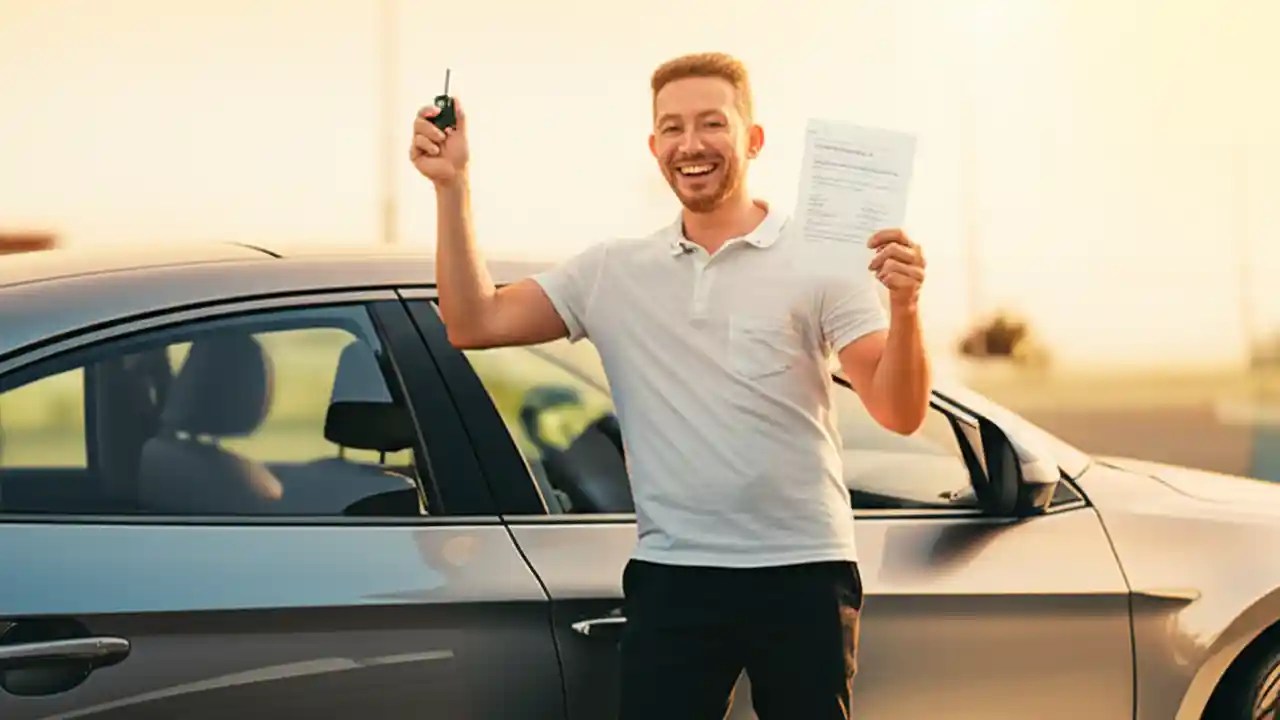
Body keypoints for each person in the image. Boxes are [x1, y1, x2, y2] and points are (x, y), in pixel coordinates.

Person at [410, 51, 931, 720]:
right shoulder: (611, 272)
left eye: (712, 124)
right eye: (673, 128)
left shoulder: (822, 263)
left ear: (753, 138)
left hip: (803, 572)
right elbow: (472, 321)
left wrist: (907, 307)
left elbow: (899, 411)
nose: (691, 145)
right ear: (654, 146)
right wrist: (452, 187)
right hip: (675, 576)